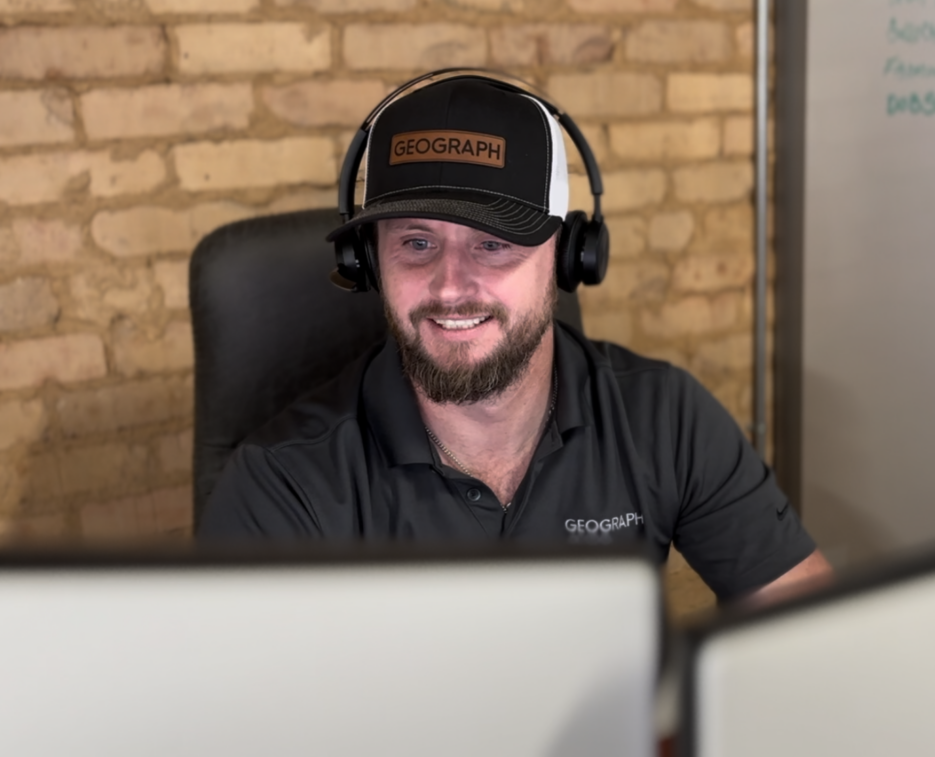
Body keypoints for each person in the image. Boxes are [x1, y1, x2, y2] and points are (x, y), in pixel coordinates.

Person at [199, 73, 831, 602]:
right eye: (416, 243)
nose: (451, 287)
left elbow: (812, 640)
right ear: (369, 263)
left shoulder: (666, 419)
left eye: (492, 244)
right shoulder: (282, 486)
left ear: (566, 256)